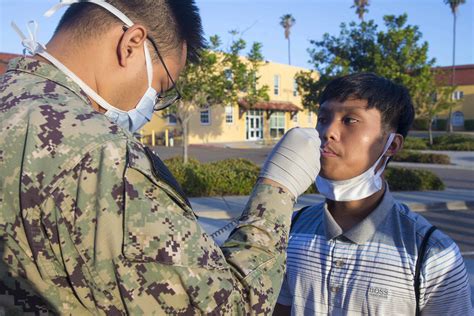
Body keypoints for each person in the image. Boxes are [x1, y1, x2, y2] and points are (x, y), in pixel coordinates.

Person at [0, 0, 321, 314]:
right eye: (162, 85)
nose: (153, 105)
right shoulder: (103, 157)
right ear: (131, 43)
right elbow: (228, 306)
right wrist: (278, 187)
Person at [274, 73, 473, 315]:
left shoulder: (431, 253)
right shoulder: (290, 230)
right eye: (323, 119)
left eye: (350, 120)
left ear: (392, 145)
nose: (327, 132)